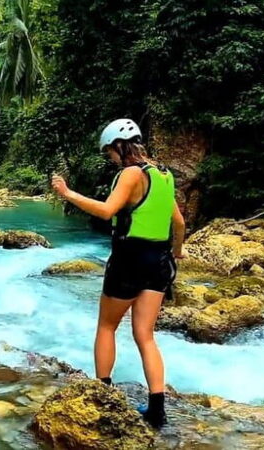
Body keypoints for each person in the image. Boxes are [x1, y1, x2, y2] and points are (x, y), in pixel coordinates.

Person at [51, 119, 185, 428]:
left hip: (129, 259)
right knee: (145, 335)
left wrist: (67, 193)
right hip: (159, 261)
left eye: (109, 152)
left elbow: (107, 210)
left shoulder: (130, 173)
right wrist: (177, 252)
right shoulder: (164, 176)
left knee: (107, 327)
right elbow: (178, 223)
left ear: (119, 147)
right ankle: (157, 410)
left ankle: (102, 395)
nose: (110, 157)